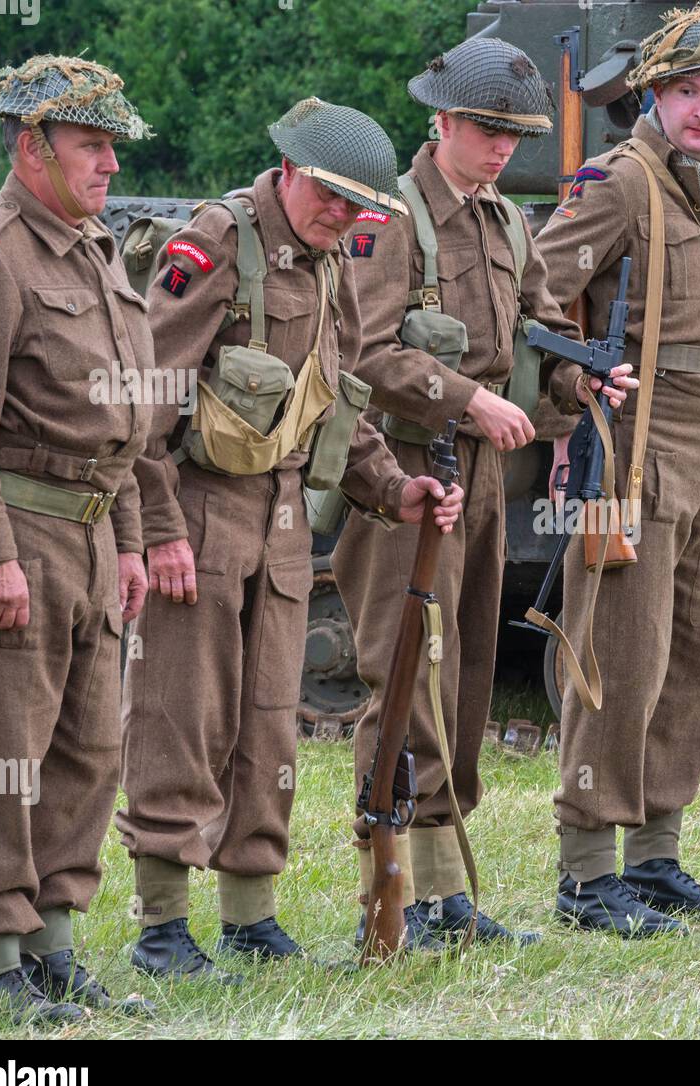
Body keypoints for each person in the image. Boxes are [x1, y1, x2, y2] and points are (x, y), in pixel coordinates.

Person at [118, 98, 462, 978]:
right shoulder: (218, 240)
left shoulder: (330, 267)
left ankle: (250, 915)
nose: (343, 216)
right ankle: (163, 924)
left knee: (268, 728)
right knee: (182, 721)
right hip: (195, 516)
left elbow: (336, 403)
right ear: (289, 171)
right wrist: (158, 530)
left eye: (359, 206)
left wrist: (396, 489)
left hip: (278, 526)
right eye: (332, 196)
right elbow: (146, 397)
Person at [336, 36, 634, 949]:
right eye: (487, 130)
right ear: (443, 121)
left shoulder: (505, 221)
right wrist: (467, 396)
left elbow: (541, 330)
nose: (503, 147)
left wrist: (580, 383)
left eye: (514, 132)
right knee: (405, 677)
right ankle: (397, 891)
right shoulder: (388, 220)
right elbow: (363, 349)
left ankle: (444, 886)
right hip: (402, 473)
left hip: (479, 480)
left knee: (464, 674)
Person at [534, 5, 700, 935]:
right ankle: (588, 872)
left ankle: (657, 859)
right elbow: (537, 293)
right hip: (625, 447)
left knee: (694, 664)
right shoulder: (620, 182)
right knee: (614, 663)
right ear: (653, 98)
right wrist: (575, 379)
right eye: (687, 94)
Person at [0, 56, 155, 1021]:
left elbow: (130, 420)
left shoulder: (97, 246)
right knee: (0, 752)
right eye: (92, 146)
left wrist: (139, 543)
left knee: (87, 750)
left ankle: (53, 945)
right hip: (19, 530)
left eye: (113, 147)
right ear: (33, 150)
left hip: (96, 533)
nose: (110, 164)